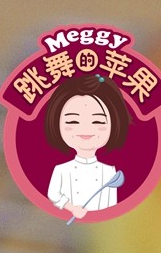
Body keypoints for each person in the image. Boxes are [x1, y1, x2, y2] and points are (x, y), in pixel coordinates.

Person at [41, 75, 130, 220]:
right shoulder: (61, 170)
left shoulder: (109, 172)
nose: (86, 129)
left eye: (97, 121)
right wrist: (72, 208)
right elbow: (54, 194)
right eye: (73, 121)